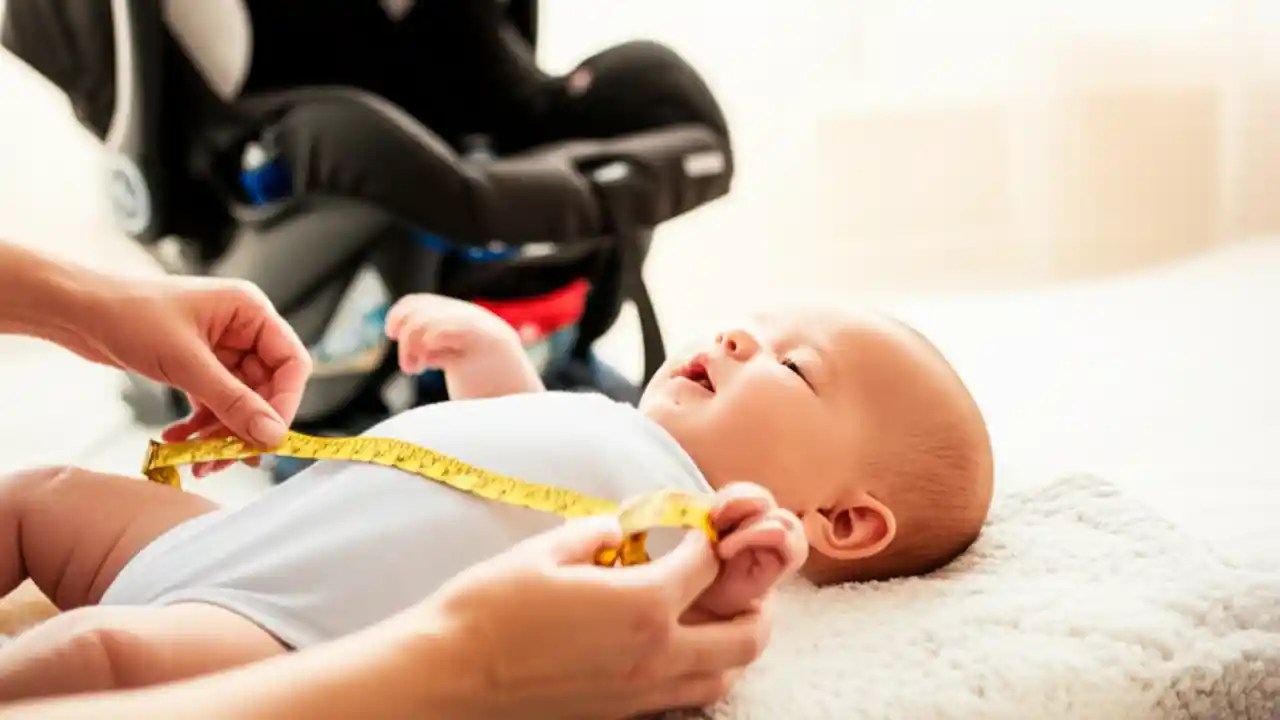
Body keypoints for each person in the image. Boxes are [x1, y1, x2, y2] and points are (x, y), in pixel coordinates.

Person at [0, 285, 992, 703]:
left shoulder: (689, 521)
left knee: (97, 657)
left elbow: (662, 621)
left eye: (794, 366)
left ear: (842, 522)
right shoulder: (609, 426)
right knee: (40, 495)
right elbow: (512, 470)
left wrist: (739, 575)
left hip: (278, 633)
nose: (737, 337)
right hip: (242, 536)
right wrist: (487, 359)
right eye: (753, 323)